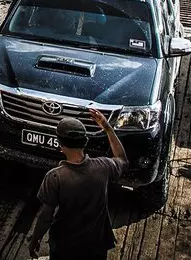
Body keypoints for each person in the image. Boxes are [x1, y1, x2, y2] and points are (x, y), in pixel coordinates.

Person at [27, 109, 127, 260]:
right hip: (97, 244)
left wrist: (35, 240)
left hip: (65, 246)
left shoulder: (55, 177)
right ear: (85, 142)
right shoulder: (103, 166)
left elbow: (45, 217)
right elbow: (122, 159)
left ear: (60, 144)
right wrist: (107, 127)